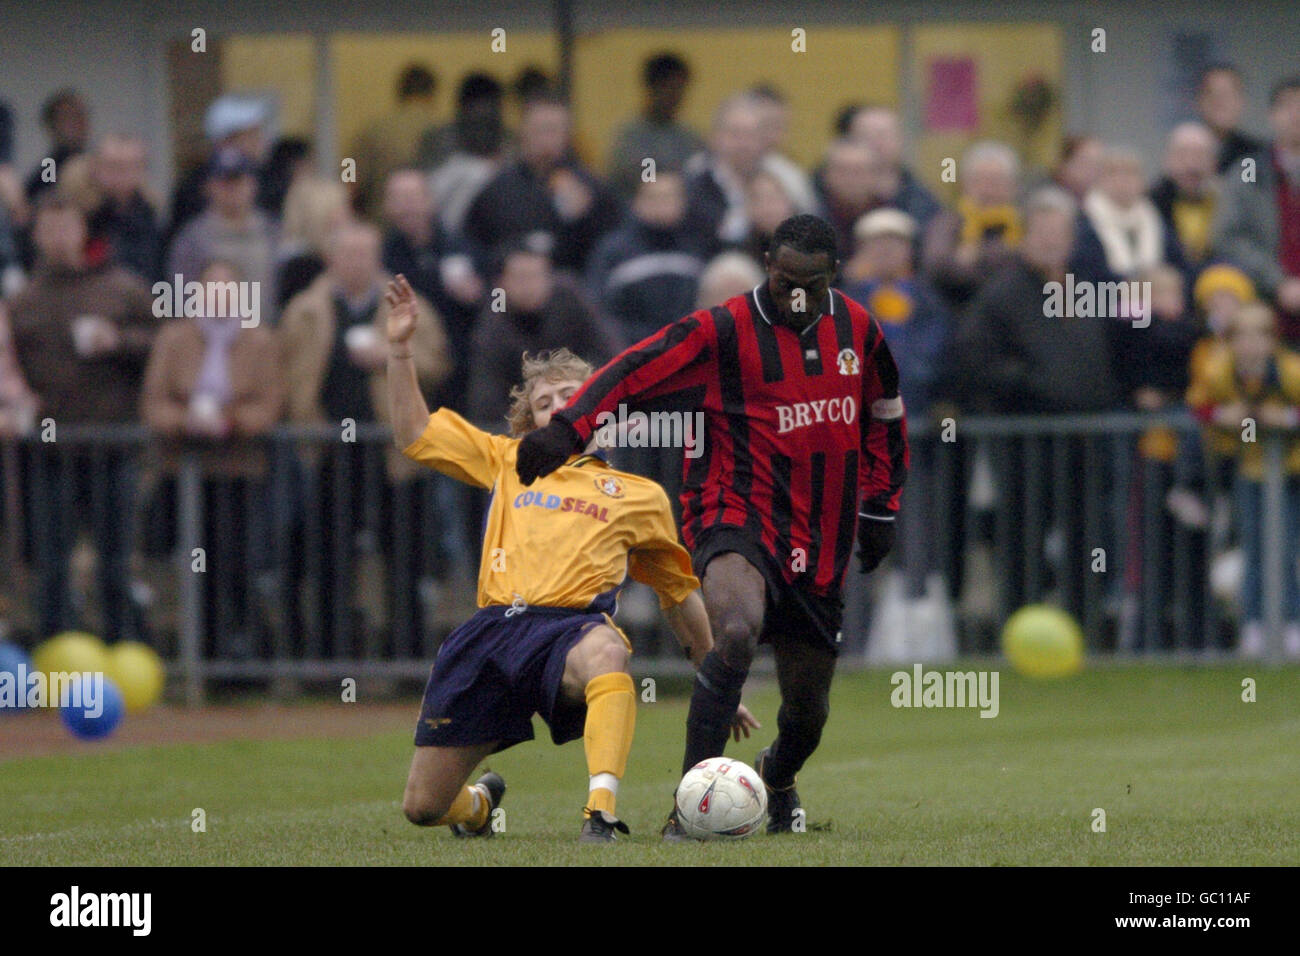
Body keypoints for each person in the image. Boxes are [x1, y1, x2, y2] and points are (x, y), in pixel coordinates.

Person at [513, 214, 908, 837]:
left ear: (834, 274)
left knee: (807, 716)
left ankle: (777, 774)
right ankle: (690, 806)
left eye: (811, 283)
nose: (796, 295)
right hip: (736, 512)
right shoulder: (721, 328)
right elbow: (633, 369)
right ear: (767, 265)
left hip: (821, 534)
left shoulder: (861, 327)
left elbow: (885, 412)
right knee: (735, 629)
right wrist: (570, 428)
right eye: (784, 281)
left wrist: (881, 504)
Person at [388, 292, 757, 842]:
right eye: (545, 403)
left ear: (600, 410)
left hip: (569, 629)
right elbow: (414, 435)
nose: (559, 408)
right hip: (492, 631)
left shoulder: (638, 496)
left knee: (608, 650)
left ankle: (600, 813)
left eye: (571, 396)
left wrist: (719, 685)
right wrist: (399, 350)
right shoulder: (509, 459)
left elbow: (679, 596)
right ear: (528, 421)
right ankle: (478, 808)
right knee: (422, 806)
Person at [9, 193, 158, 644]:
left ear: (82, 232)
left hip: (115, 449)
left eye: (66, 226)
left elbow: (163, 343)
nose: (58, 237)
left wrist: (120, 340)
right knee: (53, 563)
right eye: (48, 228)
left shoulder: (123, 287)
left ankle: (125, 646)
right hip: (51, 452)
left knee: (116, 561)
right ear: (35, 236)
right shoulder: (24, 301)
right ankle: (56, 655)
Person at [139, 259, 285, 657]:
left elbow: (271, 404)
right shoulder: (173, 339)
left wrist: (230, 422)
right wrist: (185, 421)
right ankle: (199, 654)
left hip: (240, 474)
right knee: (194, 566)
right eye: (210, 287)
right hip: (184, 473)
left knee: (235, 564)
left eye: (226, 287)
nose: (218, 296)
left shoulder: (261, 341)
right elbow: (154, 402)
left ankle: (239, 656)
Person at [1186, 302, 1300, 659]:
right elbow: (1198, 405)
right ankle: (1253, 626)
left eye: (1258, 336)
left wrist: (1284, 417)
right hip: (1249, 469)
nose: (1250, 344)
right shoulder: (1220, 371)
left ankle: (1291, 623)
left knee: (1285, 549)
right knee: (1255, 548)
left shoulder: (1290, 371)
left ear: (1272, 341)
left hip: (1290, 470)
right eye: (1242, 336)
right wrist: (1223, 415)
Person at [462, 95, 622, 276]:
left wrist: (587, 215)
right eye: (539, 129)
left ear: (567, 135)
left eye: (554, 130)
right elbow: (470, 244)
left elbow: (612, 247)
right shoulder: (497, 188)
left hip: (569, 290)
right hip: (509, 291)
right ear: (523, 131)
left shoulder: (592, 188)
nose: (546, 138)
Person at [466, 243, 618, 431]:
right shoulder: (496, 316)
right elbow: (486, 392)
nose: (531, 285)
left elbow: (608, 350)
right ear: (502, 283)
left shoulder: (570, 297)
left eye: (538, 276)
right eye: (521, 277)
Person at [1212, 76, 1300, 343]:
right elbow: (1227, 236)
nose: (1296, 114)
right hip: (1263, 307)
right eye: (1287, 105)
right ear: (1272, 115)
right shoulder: (1248, 170)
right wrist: (1278, 282)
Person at [605, 53, 705, 201]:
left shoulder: (690, 137)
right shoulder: (631, 136)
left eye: (680, 90)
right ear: (652, 89)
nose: (676, 97)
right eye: (669, 89)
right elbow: (644, 176)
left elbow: (699, 175)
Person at [351, 64, 440, 216]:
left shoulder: (374, 130)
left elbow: (350, 177)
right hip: (426, 225)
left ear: (400, 92)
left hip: (381, 222)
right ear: (432, 94)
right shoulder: (440, 131)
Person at [1196, 64, 1265, 174]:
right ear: (1200, 100)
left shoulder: (1255, 153)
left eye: (1227, 94)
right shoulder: (1187, 149)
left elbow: (1249, 188)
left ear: (1241, 101)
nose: (1220, 102)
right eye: (1213, 93)